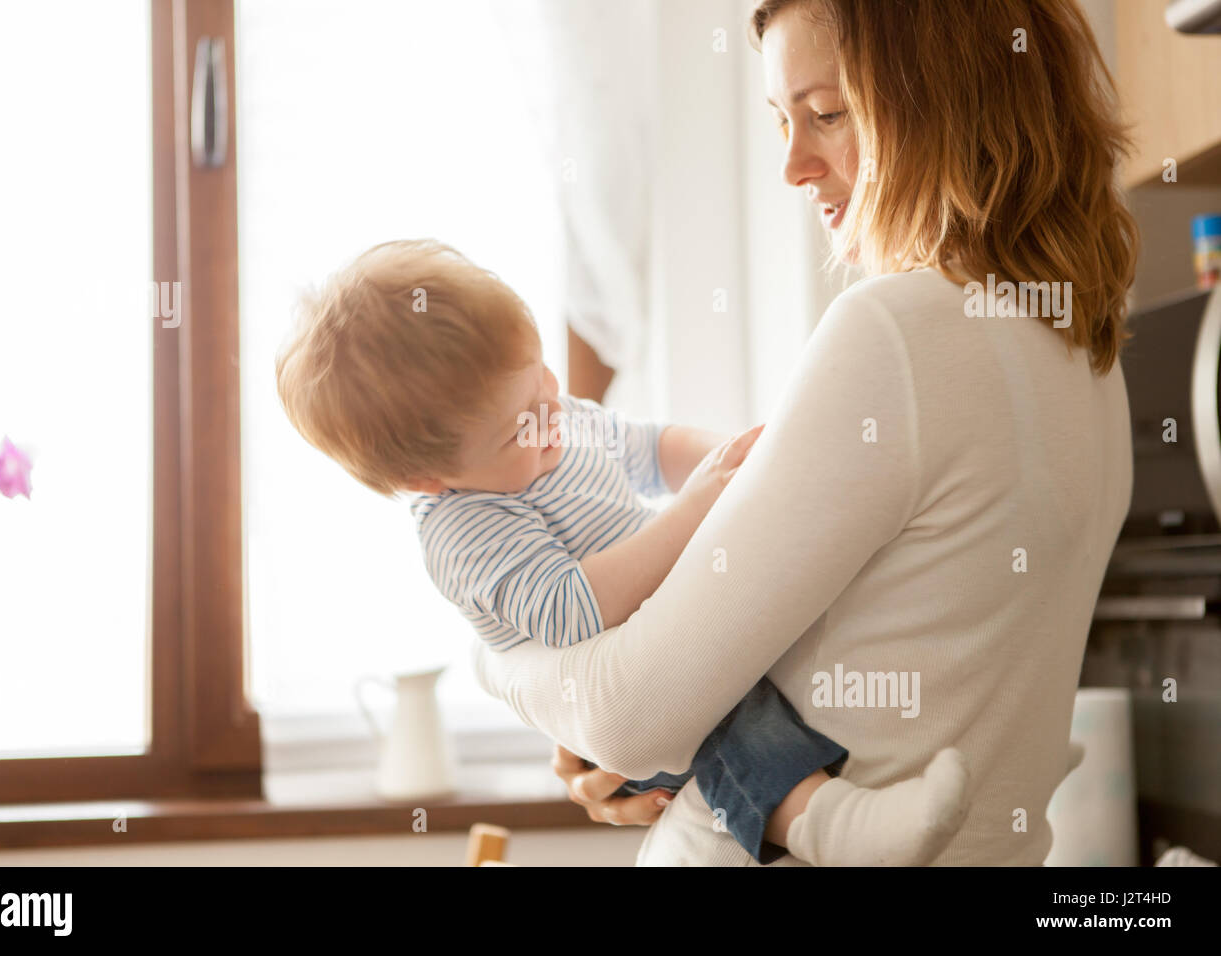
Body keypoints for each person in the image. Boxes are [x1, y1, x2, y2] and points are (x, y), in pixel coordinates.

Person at [470, 0, 1138, 865]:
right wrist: (666, 760)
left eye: (827, 113)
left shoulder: (896, 331)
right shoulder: (1089, 361)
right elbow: (875, 697)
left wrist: (498, 665)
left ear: (948, 96)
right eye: (782, 121)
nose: (793, 164)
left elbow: (630, 715)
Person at [274, 236, 972, 865]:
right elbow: (574, 611)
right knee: (728, 718)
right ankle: (833, 826)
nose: (552, 408)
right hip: (633, 710)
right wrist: (698, 508)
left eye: (541, 375)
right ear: (427, 479)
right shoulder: (465, 530)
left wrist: (752, 462)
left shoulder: (543, 418)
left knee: (792, 646)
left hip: (668, 631)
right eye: (521, 425)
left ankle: (949, 734)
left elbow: (646, 447)